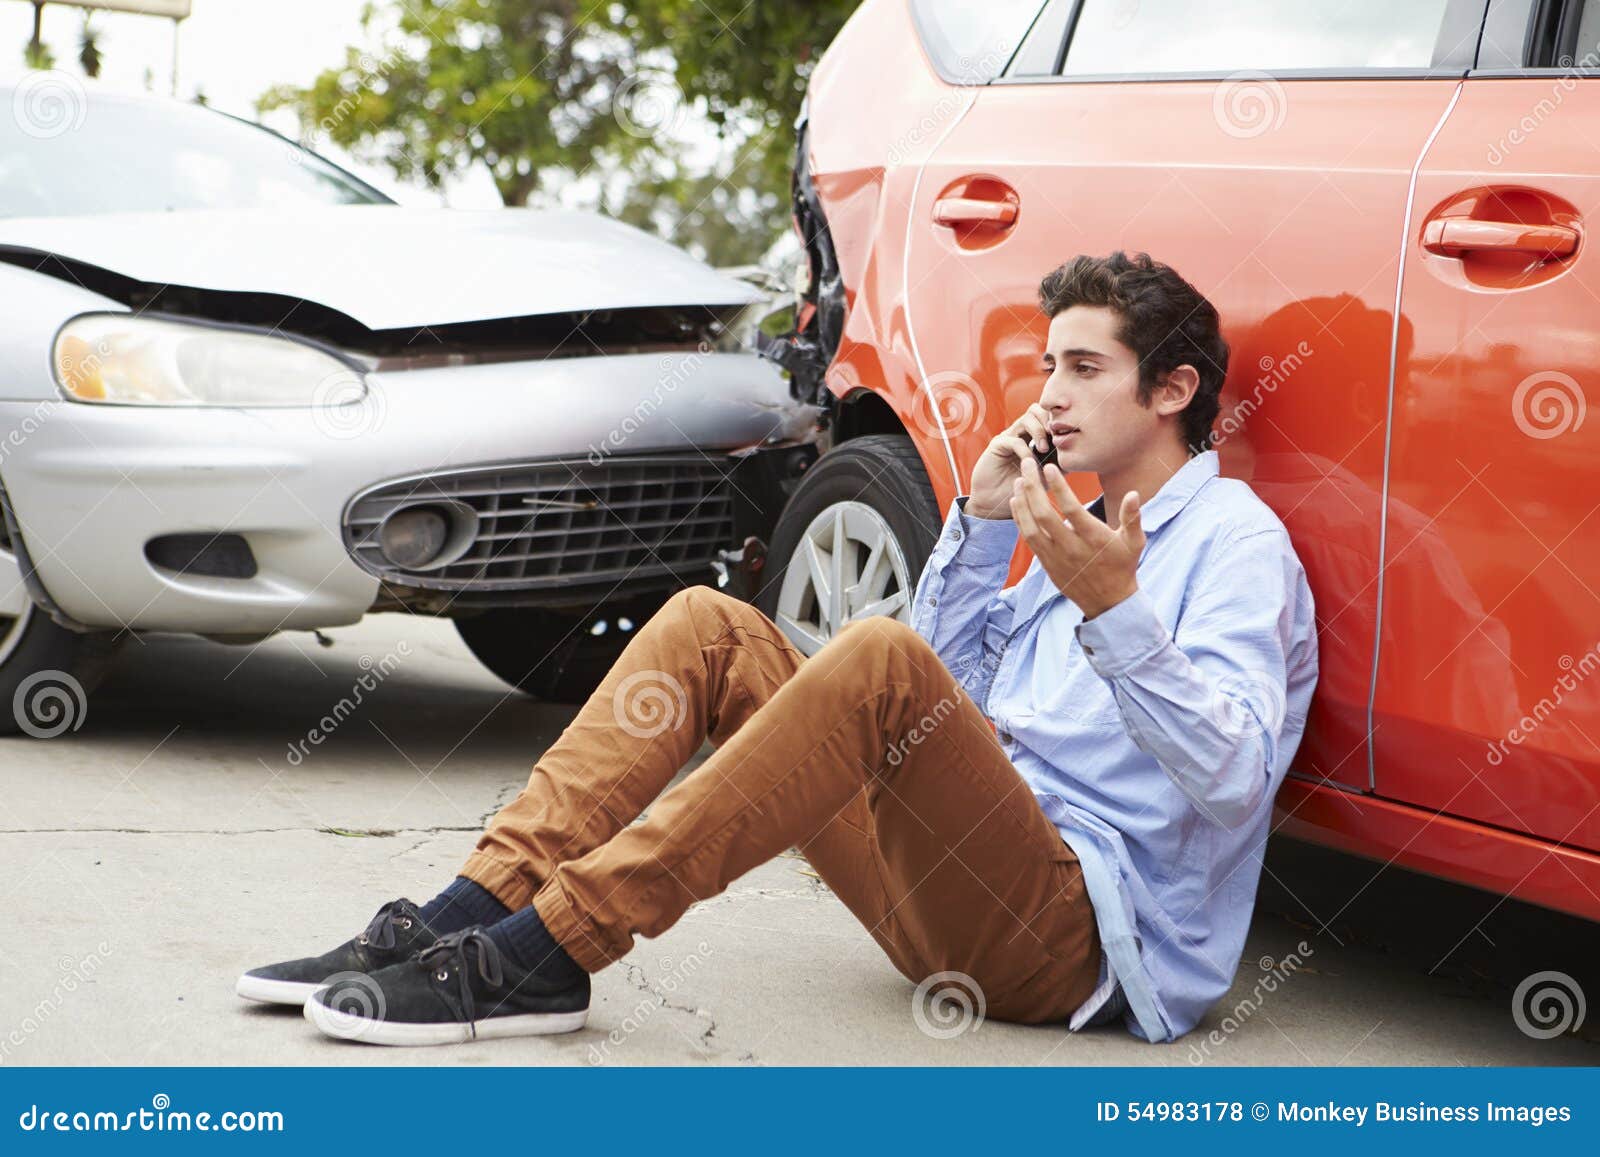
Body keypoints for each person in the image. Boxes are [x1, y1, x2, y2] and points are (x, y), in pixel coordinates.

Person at [236, 251, 1318, 1046]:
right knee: (710, 624)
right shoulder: (1065, 524)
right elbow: (941, 710)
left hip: (1063, 941)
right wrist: (983, 528)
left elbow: (1234, 781)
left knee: (877, 657)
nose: (1050, 395)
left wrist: (1114, 610)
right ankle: (473, 905)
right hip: (944, 885)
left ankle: (554, 948)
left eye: (1084, 367)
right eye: (1048, 365)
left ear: (1171, 390)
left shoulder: (1235, 545)